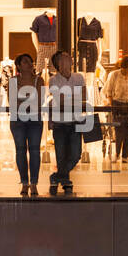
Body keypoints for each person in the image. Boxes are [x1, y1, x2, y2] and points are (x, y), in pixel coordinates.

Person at [48, 49, 86, 195]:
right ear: (58, 63)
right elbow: (59, 100)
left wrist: (68, 97)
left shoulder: (79, 77)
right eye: (64, 58)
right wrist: (72, 97)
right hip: (60, 122)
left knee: (76, 154)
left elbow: (83, 97)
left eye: (68, 57)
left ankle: (56, 177)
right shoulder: (53, 80)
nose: (68, 59)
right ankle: (66, 182)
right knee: (61, 154)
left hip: (76, 120)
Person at [8, 52, 44, 196]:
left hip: (35, 120)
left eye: (30, 61)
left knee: (35, 151)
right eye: (25, 62)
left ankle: (34, 183)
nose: (29, 64)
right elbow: (12, 102)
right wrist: (29, 100)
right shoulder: (13, 81)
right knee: (20, 151)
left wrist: (23, 101)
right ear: (18, 66)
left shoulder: (38, 80)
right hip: (18, 120)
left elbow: (40, 101)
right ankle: (24, 182)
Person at [106, 55, 128, 162]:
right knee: (119, 131)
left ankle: (125, 156)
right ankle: (117, 154)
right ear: (127, 64)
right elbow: (109, 91)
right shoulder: (115, 74)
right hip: (118, 103)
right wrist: (112, 106)